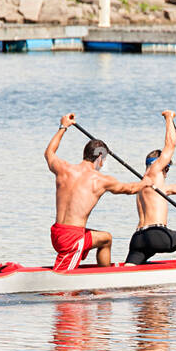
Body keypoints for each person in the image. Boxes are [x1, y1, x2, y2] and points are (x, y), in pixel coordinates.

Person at [44, 112, 145, 271]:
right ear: (99, 157)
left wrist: (63, 127)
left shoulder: (63, 169)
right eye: (103, 160)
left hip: (56, 233)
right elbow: (130, 189)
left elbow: (49, 153)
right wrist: (146, 182)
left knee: (106, 239)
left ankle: (103, 280)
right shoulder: (100, 180)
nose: (103, 164)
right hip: (72, 239)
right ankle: (99, 282)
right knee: (61, 290)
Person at [125, 110, 176, 265]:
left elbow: (170, 189)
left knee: (128, 270)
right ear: (164, 167)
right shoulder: (156, 170)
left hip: (138, 239)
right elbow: (171, 144)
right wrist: (169, 118)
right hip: (157, 235)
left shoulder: (145, 182)